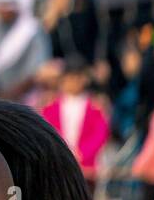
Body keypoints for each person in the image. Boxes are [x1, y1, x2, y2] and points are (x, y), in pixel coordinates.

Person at [40, 58, 110, 187]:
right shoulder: (50, 107)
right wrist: (62, 153)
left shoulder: (95, 107)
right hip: (57, 165)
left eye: (77, 77)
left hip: (86, 168)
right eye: (69, 78)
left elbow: (100, 134)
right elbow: (45, 132)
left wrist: (82, 154)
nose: (73, 82)